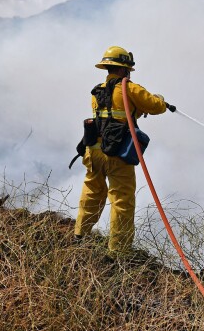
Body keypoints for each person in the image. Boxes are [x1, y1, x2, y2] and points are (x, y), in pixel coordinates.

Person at [74, 45, 175, 254]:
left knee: (92, 192)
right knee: (122, 201)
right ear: (124, 69)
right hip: (117, 155)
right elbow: (155, 106)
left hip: (92, 151)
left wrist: (136, 110)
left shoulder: (97, 91)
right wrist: (162, 101)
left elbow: (116, 112)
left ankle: (79, 234)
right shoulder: (129, 88)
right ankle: (118, 252)